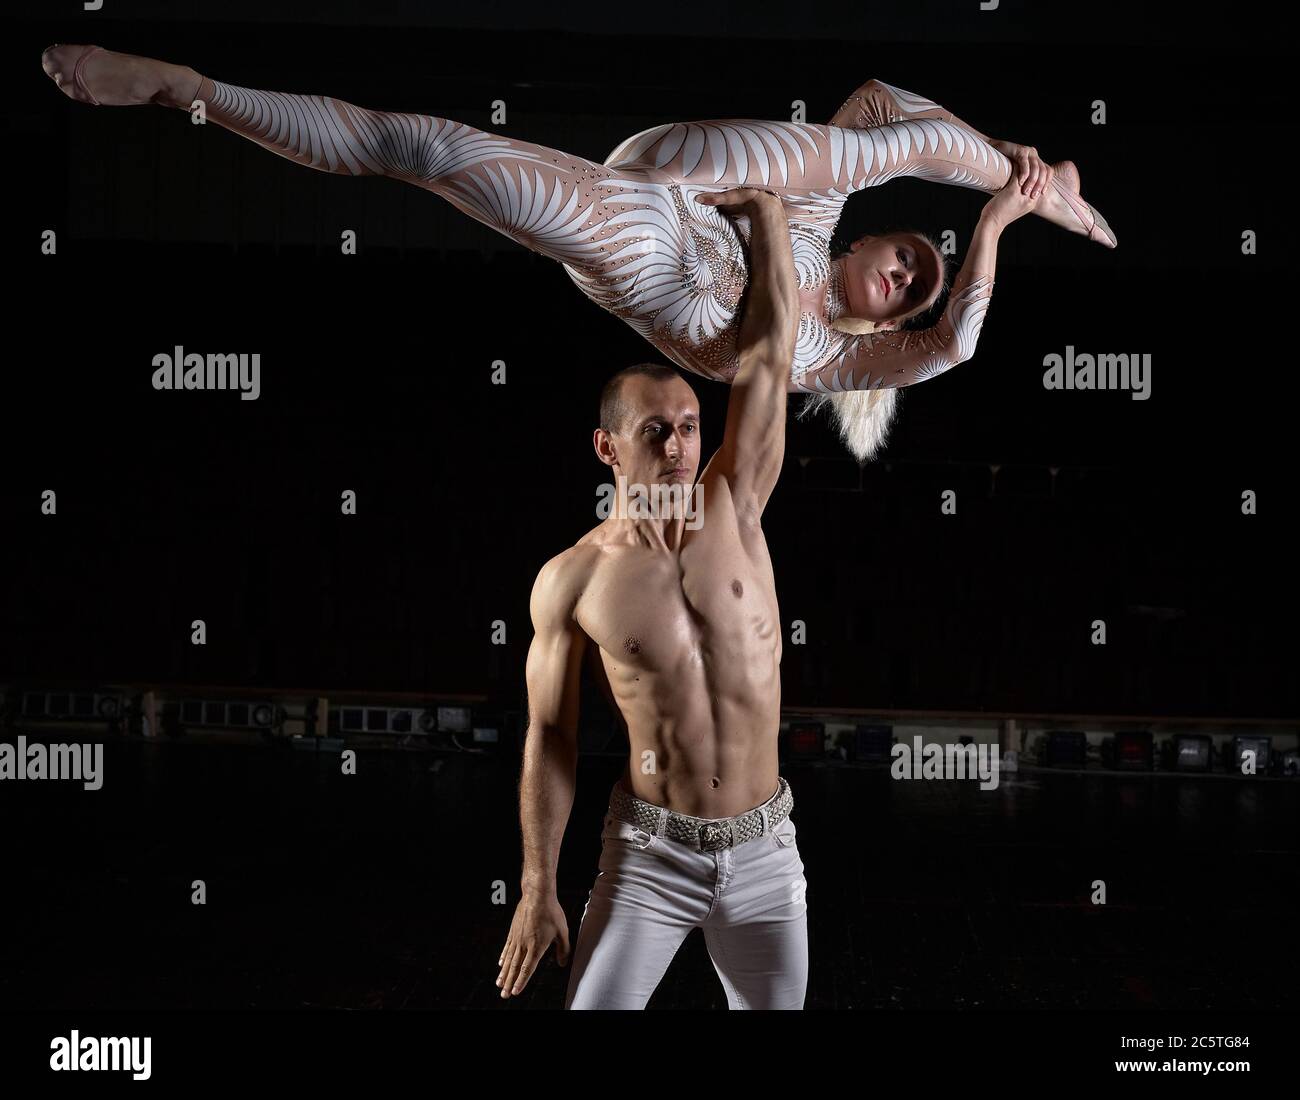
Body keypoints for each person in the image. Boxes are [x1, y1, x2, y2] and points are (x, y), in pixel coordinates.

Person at [496, 175, 1042, 1009]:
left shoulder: (736, 504)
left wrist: (768, 224)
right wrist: (538, 886)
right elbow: (549, 735)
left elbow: (770, 353)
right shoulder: (574, 580)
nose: (680, 445)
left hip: (763, 853)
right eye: (656, 432)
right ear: (607, 448)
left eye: (687, 426)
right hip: (649, 854)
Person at [42, 45, 1114, 459]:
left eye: (912, 292)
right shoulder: (830, 199)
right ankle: (1039, 176)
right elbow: (885, 99)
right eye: (912, 259)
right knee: (869, 141)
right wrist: (1010, 170)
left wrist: (990, 227)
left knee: (418, 146)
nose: (909, 278)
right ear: (881, 239)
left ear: (883, 320)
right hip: (692, 172)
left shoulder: (833, 356)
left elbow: (955, 349)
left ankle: (188, 91)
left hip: (645, 241)